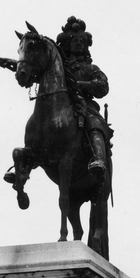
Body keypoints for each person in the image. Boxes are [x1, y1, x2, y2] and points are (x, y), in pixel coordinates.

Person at [55, 16, 112, 174]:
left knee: (95, 124)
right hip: (62, 104)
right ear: (68, 44)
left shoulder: (91, 68)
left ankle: (99, 158)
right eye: (75, 40)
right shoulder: (59, 67)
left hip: (86, 106)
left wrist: (83, 85)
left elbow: (103, 86)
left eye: (82, 41)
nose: (79, 43)